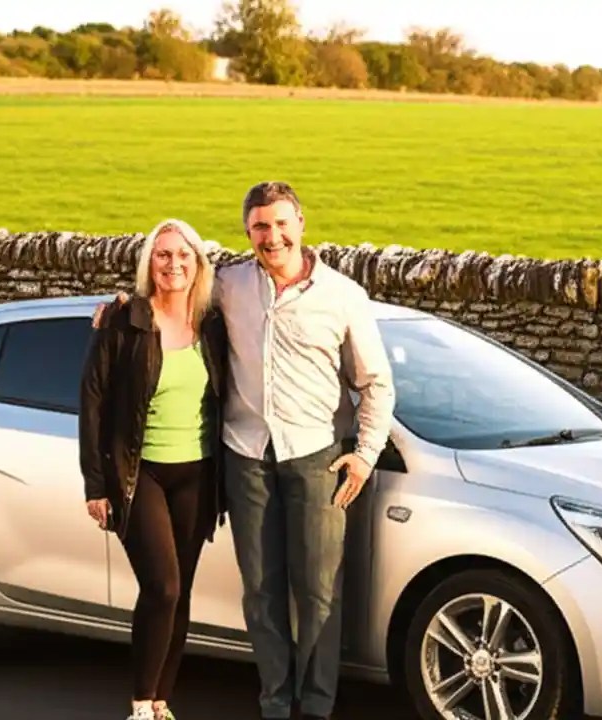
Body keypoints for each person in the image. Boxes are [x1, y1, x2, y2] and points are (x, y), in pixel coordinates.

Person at [95, 182, 395, 720]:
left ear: (302, 223)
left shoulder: (343, 295)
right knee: (260, 593)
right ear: (247, 232)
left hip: (317, 458)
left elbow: (375, 382)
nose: (271, 236)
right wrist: (120, 306)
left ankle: (317, 707)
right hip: (245, 456)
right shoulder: (230, 285)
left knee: (318, 593)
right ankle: (276, 705)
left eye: (281, 224)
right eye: (259, 226)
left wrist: (367, 452)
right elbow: (168, 299)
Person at [78, 218, 229, 720]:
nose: (173, 264)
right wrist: (95, 483)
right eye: (163, 255)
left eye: (183, 255)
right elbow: (93, 402)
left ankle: (163, 699)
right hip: (138, 474)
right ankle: (141, 703)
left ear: (198, 263)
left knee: (180, 589)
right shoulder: (126, 322)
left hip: (198, 473)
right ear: (150, 264)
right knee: (161, 585)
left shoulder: (212, 325)